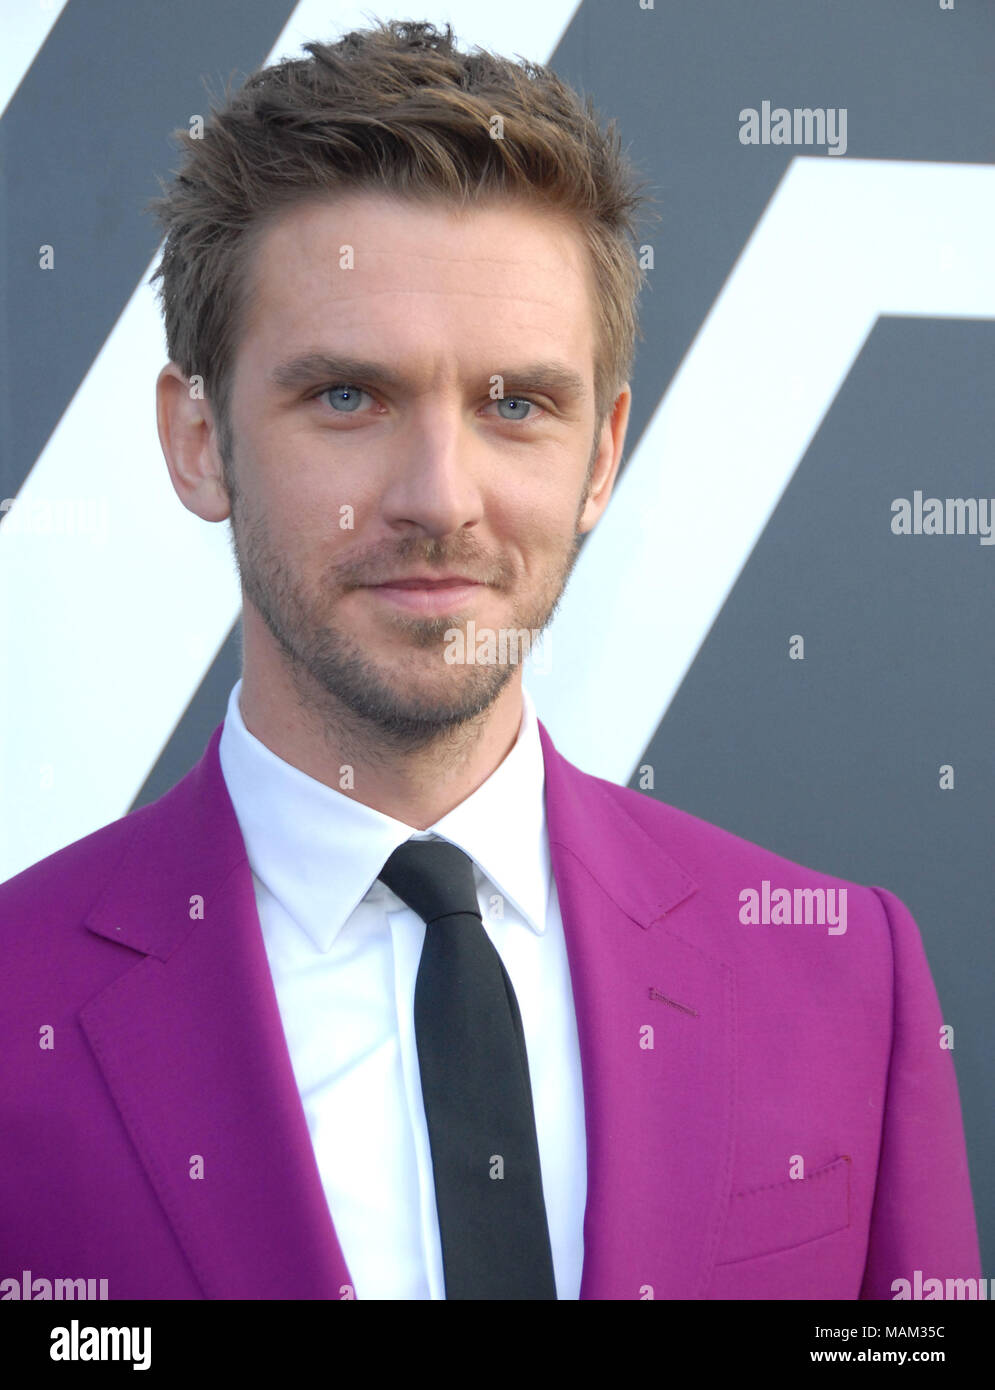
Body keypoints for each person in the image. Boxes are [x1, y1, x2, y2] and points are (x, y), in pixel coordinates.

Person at [0, 19, 980, 1302]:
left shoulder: (840, 973)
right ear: (197, 440)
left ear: (601, 453)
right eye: (346, 396)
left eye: (515, 403)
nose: (439, 497)